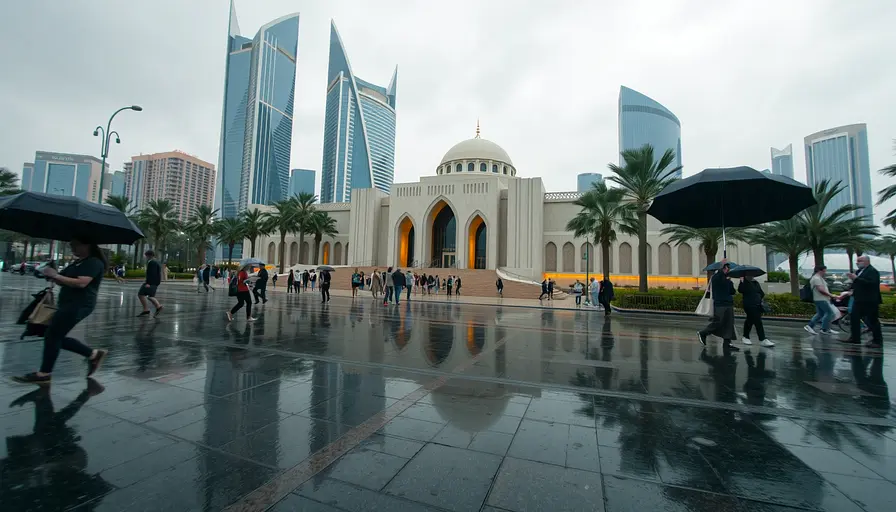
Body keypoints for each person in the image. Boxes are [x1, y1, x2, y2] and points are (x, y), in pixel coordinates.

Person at [12, 237, 109, 385]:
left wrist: (57, 276)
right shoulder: (78, 262)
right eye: (71, 245)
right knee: (53, 336)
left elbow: (82, 283)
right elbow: (61, 279)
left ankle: (45, 373)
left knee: (53, 335)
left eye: (75, 245)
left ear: (87, 245)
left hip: (80, 305)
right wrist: (50, 273)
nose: (72, 248)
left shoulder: (93, 263)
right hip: (67, 304)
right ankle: (93, 354)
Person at [697, 262, 739, 351]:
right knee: (718, 322)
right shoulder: (716, 278)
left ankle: (727, 343)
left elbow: (732, 291)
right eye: (726, 268)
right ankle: (703, 333)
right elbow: (720, 282)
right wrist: (726, 278)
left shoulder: (727, 279)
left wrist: (729, 281)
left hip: (728, 303)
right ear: (721, 269)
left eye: (728, 268)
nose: (728, 269)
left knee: (729, 323)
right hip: (720, 304)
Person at [846, 255, 883, 348]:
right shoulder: (859, 272)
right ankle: (855, 338)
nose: (858, 263)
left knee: (872, 320)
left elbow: (871, 284)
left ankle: (877, 341)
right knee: (854, 318)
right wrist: (851, 289)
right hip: (859, 299)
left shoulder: (872, 271)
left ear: (867, 261)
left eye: (860, 261)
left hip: (870, 300)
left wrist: (856, 278)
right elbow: (857, 284)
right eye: (857, 261)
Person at [739, 275, 774, 347]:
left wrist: (758, 298)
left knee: (750, 320)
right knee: (757, 321)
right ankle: (762, 339)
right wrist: (742, 282)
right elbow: (740, 290)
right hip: (749, 305)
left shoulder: (756, 283)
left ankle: (746, 336)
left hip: (757, 304)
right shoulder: (744, 283)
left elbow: (761, 293)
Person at [805, 265, 834, 335]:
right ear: (820, 271)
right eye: (824, 271)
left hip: (820, 298)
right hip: (821, 298)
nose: (825, 272)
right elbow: (820, 289)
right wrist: (831, 295)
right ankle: (824, 329)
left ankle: (811, 326)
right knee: (829, 312)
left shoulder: (819, 278)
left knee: (820, 314)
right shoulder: (816, 278)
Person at [138, 250, 164, 317]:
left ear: (149, 255)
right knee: (150, 296)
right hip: (155, 282)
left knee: (141, 294)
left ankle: (152, 308)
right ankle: (156, 307)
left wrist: (148, 283)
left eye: (146, 255)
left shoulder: (152, 262)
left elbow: (151, 274)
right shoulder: (157, 262)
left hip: (151, 282)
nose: (145, 257)